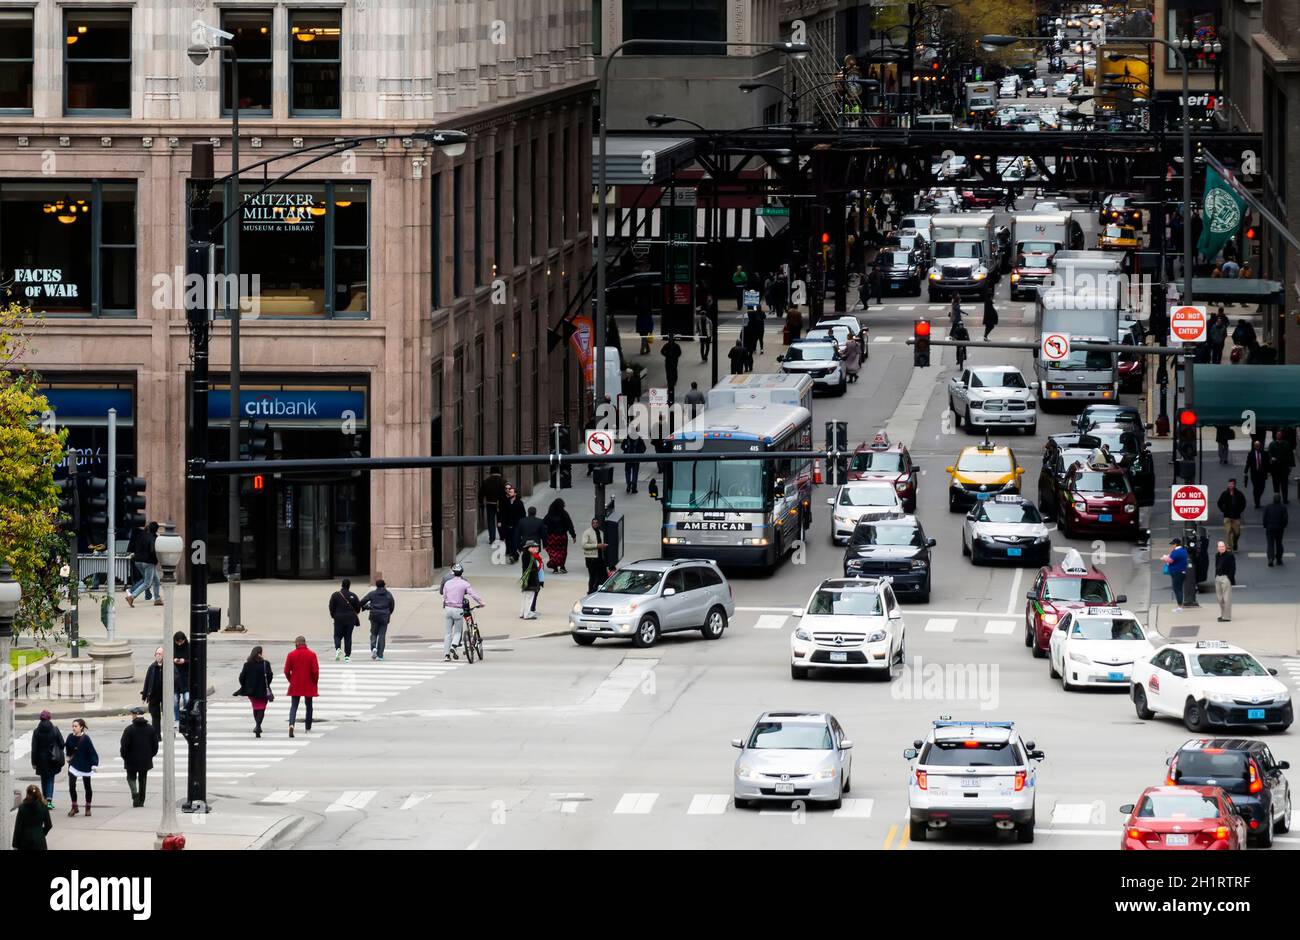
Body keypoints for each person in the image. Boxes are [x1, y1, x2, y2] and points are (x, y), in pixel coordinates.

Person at [440, 564, 483, 661]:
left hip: (447, 608)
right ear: (461, 573)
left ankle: (446, 655)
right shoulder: (464, 583)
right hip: (458, 609)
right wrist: (481, 602)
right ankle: (453, 647)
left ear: (453, 572)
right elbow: (473, 594)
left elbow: (444, 595)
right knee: (458, 632)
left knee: (447, 633)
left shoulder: (447, 583)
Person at [120, 705, 157, 806]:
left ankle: (135, 794)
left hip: (131, 759)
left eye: (132, 714)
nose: (132, 716)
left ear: (135, 715)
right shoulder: (151, 729)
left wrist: (125, 757)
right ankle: (141, 800)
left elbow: (124, 746)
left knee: (130, 777)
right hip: (145, 759)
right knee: (143, 779)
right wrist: (150, 756)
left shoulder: (129, 730)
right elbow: (155, 746)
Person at [235, 646, 274, 738]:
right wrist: (267, 684)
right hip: (263, 689)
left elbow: (241, 677)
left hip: (251, 690)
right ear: (260, 653)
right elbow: (270, 676)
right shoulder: (265, 663)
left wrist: (245, 685)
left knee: (256, 707)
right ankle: (258, 726)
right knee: (262, 707)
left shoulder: (247, 664)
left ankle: (257, 726)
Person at [284, 635, 319, 737]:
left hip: (296, 683)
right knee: (309, 706)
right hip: (309, 684)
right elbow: (315, 671)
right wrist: (314, 682)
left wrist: (291, 680)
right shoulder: (312, 655)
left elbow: (286, 671)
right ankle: (308, 728)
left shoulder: (291, 655)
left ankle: (291, 724)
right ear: (305, 643)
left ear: (297, 643)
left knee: (294, 706)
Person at [29, 710, 64, 810]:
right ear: (49, 718)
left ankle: (44, 800)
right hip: (52, 758)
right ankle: (49, 802)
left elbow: (34, 749)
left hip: (40, 759)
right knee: (50, 779)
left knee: (43, 779)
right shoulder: (55, 730)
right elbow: (62, 744)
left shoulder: (36, 731)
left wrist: (33, 762)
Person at [64, 718, 98, 817]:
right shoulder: (70, 737)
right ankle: (74, 806)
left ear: (81, 727)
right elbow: (68, 750)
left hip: (85, 765)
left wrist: (94, 764)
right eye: (73, 726)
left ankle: (88, 807)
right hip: (74, 764)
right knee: (71, 786)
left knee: (87, 786)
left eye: (76, 726)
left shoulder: (86, 739)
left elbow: (92, 752)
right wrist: (68, 756)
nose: (73, 728)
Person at [123, 521, 160, 608]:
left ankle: (157, 599)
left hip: (138, 561)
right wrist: (156, 559)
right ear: (156, 530)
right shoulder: (154, 538)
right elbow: (152, 550)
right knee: (147, 583)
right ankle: (132, 596)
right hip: (148, 562)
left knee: (156, 580)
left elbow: (135, 546)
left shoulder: (141, 535)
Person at [360, 579, 396, 660]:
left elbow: (362, 601)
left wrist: (365, 607)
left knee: (373, 633)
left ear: (376, 585)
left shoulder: (372, 594)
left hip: (374, 615)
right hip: (384, 616)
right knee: (382, 635)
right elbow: (392, 605)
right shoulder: (388, 594)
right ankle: (380, 655)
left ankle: (373, 648)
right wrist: (388, 613)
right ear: (384, 585)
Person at [328, 578, 362, 662]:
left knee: (337, 635)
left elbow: (331, 606)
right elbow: (358, 608)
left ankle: (338, 648)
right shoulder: (353, 595)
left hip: (338, 618)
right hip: (350, 619)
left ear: (342, 585)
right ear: (349, 585)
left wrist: (333, 615)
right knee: (348, 637)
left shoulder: (335, 595)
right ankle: (347, 656)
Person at [12, 784, 52, 850]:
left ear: (27, 794)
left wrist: (15, 844)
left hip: (25, 839)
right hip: (39, 840)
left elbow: (18, 827)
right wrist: (41, 833)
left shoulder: (22, 808)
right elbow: (49, 825)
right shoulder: (43, 807)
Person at [543, 498, 577, 573]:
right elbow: (569, 524)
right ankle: (562, 566)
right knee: (563, 551)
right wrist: (573, 535)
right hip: (562, 536)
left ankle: (555, 567)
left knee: (553, 551)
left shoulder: (549, 514)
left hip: (551, 537)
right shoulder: (564, 513)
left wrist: (543, 535)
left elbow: (543, 524)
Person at [140, 647, 165, 742]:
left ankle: (169, 733)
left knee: (167, 716)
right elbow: (147, 682)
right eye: (157, 654)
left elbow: (175, 678)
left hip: (164, 695)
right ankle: (157, 736)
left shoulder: (168, 666)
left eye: (160, 654)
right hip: (154, 695)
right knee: (155, 717)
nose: (158, 656)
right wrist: (144, 696)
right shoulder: (152, 667)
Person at [498, 483, 526, 562]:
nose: (509, 493)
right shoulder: (506, 502)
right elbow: (502, 513)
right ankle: (511, 553)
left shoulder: (519, 503)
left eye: (511, 492)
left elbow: (523, 514)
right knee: (508, 540)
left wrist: (522, 524)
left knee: (515, 540)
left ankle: (514, 556)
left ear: (515, 494)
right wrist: (500, 521)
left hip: (516, 524)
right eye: (509, 492)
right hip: (507, 524)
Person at [1217, 478, 1247, 551]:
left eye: (1232, 484)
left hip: (1236, 517)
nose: (1230, 486)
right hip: (1227, 516)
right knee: (1229, 532)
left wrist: (1239, 511)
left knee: (1237, 533)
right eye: (1229, 484)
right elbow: (1219, 503)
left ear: (1234, 485)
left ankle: (1235, 542)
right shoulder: (1225, 493)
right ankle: (1229, 547)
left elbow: (1243, 503)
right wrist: (1223, 510)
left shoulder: (1239, 494)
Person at [1162, 538, 1189, 611]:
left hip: (1177, 573)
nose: (1171, 545)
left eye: (1172, 544)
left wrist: (1164, 558)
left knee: (1177, 589)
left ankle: (1180, 606)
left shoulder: (1177, 551)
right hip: (1181, 572)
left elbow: (1170, 560)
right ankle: (1180, 605)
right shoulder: (1183, 550)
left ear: (1176, 544)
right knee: (1179, 589)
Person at [480, 466, 506, 545]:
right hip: (501, 505)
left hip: (490, 504)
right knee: (500, 521)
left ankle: (492, 538)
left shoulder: (486, 481)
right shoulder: (504, 482)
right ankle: (502, 537)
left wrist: (481, 503)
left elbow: (481, 494)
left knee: (491, 521)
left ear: (491, 472)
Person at [1267, 430, 1294, 503]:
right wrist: (1271, 458)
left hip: (1284, 468)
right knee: (1276, 485)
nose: (1278, 435)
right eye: (1277, 434)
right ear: (1276, 436)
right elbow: (1269, 454)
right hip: (1275, 468)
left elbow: (1290, 455)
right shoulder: (1272, 444)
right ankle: (1277, 499)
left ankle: (1285, 499)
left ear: (1282, 435)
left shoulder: (1286, 444)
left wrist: (1290, 466)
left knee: (1284, 484)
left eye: (1280, 434)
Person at [582, 518, 608, 593]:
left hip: (600, 558)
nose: (595, 524)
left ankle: (597, 590)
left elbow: (600, 544)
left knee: (602, 576)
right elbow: (584, 545)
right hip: (591, 558)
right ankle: (590, 591)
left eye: (596, 523)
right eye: (594, 523)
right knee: (593, 576)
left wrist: (603, 546)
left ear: (598, 524)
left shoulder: (601, 532)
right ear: (591, 524)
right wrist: (597, 546)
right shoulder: (587, 533)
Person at [1263, 494, 1289, 567]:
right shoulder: (1283, 508)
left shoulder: (1268, 507)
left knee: (1270, 544)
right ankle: (1279, 559)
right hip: (1279, 528)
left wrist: (1265, 525)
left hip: (1270, 527)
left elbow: (1264, 517)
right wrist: (1283, 526)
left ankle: (1271, 558)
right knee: (1279, 543)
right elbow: (1285, 519)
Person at [520, 541, 544, 619]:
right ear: (529, 548)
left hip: (528, 580)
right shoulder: (529, 556)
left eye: (536, 547)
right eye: (533, 547)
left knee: (526, 597)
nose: (536, 548)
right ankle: (527, 614)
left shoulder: (527, 555)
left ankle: (523, 613)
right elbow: (533, 569)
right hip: (531, 580)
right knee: (529, 597)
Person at [1214, 541, 1236, 623]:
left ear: (1225, 547)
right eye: (1220, 546)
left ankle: (1226, 617)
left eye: (1223, 546)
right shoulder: (1217, 555)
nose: (1221, 548)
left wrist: (1229, 578)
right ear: (1217, 548)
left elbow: (1233, 568)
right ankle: (1223, 614)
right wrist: (1216, 576)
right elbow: (1216, 566)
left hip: (1225, 578)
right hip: (1218, 578)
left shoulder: (1230, 555)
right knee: (1219, 598)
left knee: (1226, 598)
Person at [1246, 438, 1271, 509]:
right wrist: (1245, 472)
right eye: (1256, 446)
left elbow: (1267, 464)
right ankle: (1257, 501)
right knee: (1256, 488)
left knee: (1262, 488)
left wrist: (1269, 472)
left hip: (1262, 474)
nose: (1257, 447)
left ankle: (1258, 497)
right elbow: (1248, 463)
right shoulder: (1251, 454)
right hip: (1254, 474)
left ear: (1260, 446)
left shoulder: (1264, 453)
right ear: (1254, 446)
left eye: (1258, 446)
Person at [172, 631, 190, 723]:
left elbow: (192, 660)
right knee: (175, 700)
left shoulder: (188, 647)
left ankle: (186, 717)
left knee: (187, 698)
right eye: (177, 642)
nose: (179, 644)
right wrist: (174, 660)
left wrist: (184, 661)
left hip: (186, 677)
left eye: (181, 642)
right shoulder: (172, 647)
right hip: (175, 678)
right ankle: (177, 718)